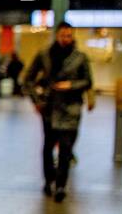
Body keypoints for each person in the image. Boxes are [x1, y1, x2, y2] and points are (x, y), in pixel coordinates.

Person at [23, 22, 92, 202]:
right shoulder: (45, 55)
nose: (66, 39)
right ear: (57, 35)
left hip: (71, 108)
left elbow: (88, 81)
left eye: (69, 36)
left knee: (66, 148)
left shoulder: (80, 57)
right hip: (49, 108)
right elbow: (27, 79)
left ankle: (61, 185)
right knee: (48, 147)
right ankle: (49, 180)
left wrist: (71, 85)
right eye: (63, 36)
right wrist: (37, 101)